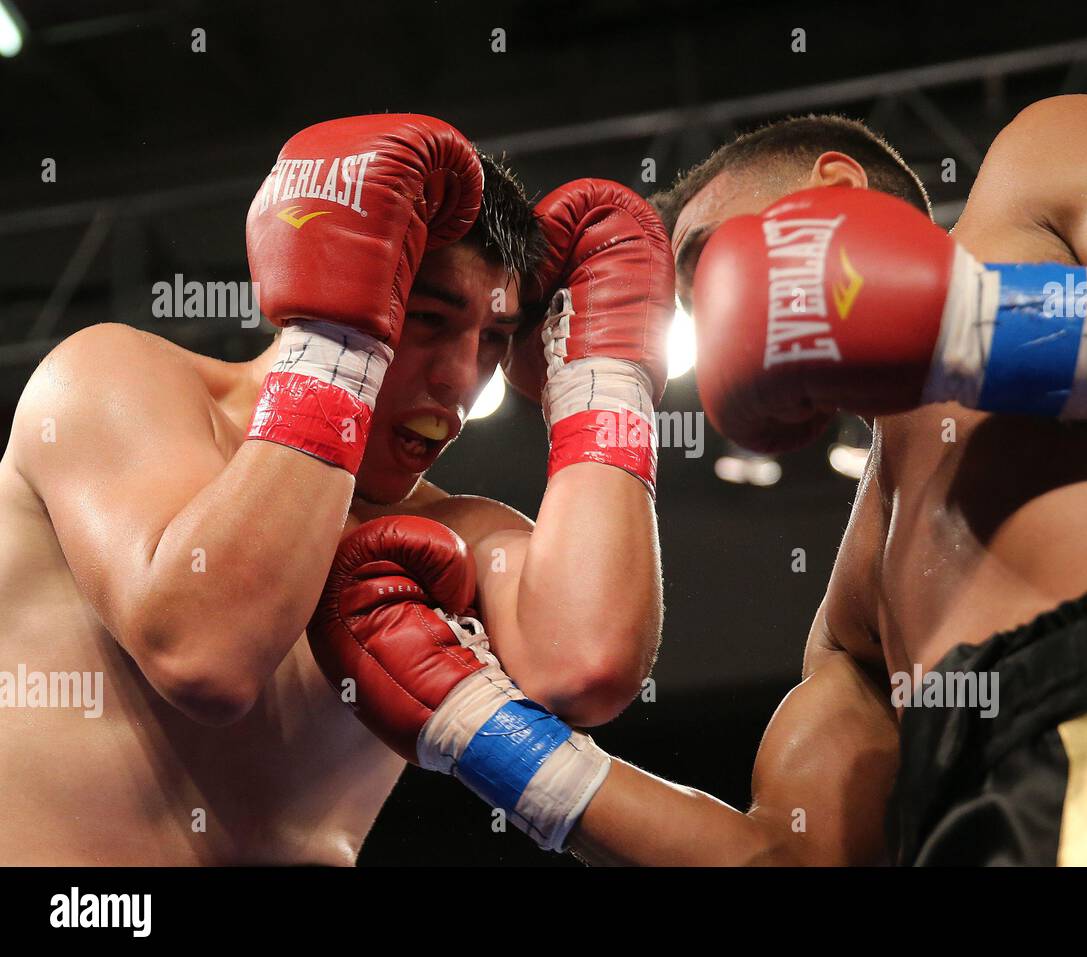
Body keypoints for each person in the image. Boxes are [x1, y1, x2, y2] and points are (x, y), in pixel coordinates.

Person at [312, 95, 1087, 865]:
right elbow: (786, 858)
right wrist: (482, 731)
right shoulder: (859, 597)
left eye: (703, 261)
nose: (706, 308)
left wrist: (972, 327)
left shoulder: (1041, 168)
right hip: (976, 824)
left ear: (840, 182)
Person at [0, 113, 672, 864]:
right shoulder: (118, 380)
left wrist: (606, 387)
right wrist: (337, 350)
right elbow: (204, 651)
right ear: (338, 283)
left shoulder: (456, 530)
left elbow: (587, 667)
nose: (460, 378)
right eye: (426, 318)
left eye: (492, 338)